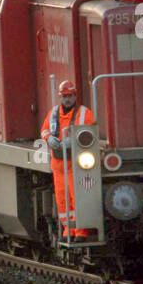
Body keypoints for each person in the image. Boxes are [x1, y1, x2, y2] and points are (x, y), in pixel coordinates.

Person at [40, 80, 95, 239]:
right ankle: (68, 230)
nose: (67, 99)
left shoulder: (84, 113)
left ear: (75, 95)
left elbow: (88, 133)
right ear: (60, 97)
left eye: (70, 95)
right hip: (58, 166)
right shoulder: (54, 113)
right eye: (64, 96)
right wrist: (49, 138)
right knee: (62, 201)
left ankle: (80, 231)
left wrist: (74, 141)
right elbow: (44, 130)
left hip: (75, 165)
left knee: (77, 198)